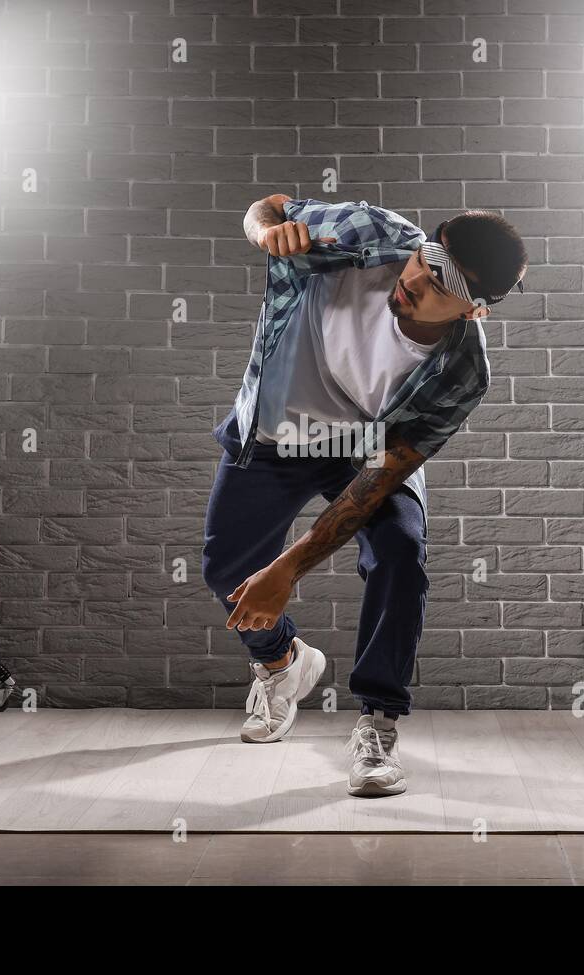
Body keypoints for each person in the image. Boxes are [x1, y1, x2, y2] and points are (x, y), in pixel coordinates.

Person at [201, 194, 526, 797]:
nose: (414, 283)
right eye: (423, 262)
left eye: (439, 286)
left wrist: (288, 570)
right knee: (224, 570)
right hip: (277, 433)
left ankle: (378, 724)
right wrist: (265, 235)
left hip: (364, 450)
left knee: (400, 553)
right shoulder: (370, 232)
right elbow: (266, 207)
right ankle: (281, 663)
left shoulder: (462, 372)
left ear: (475, 311)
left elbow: (377, 482)